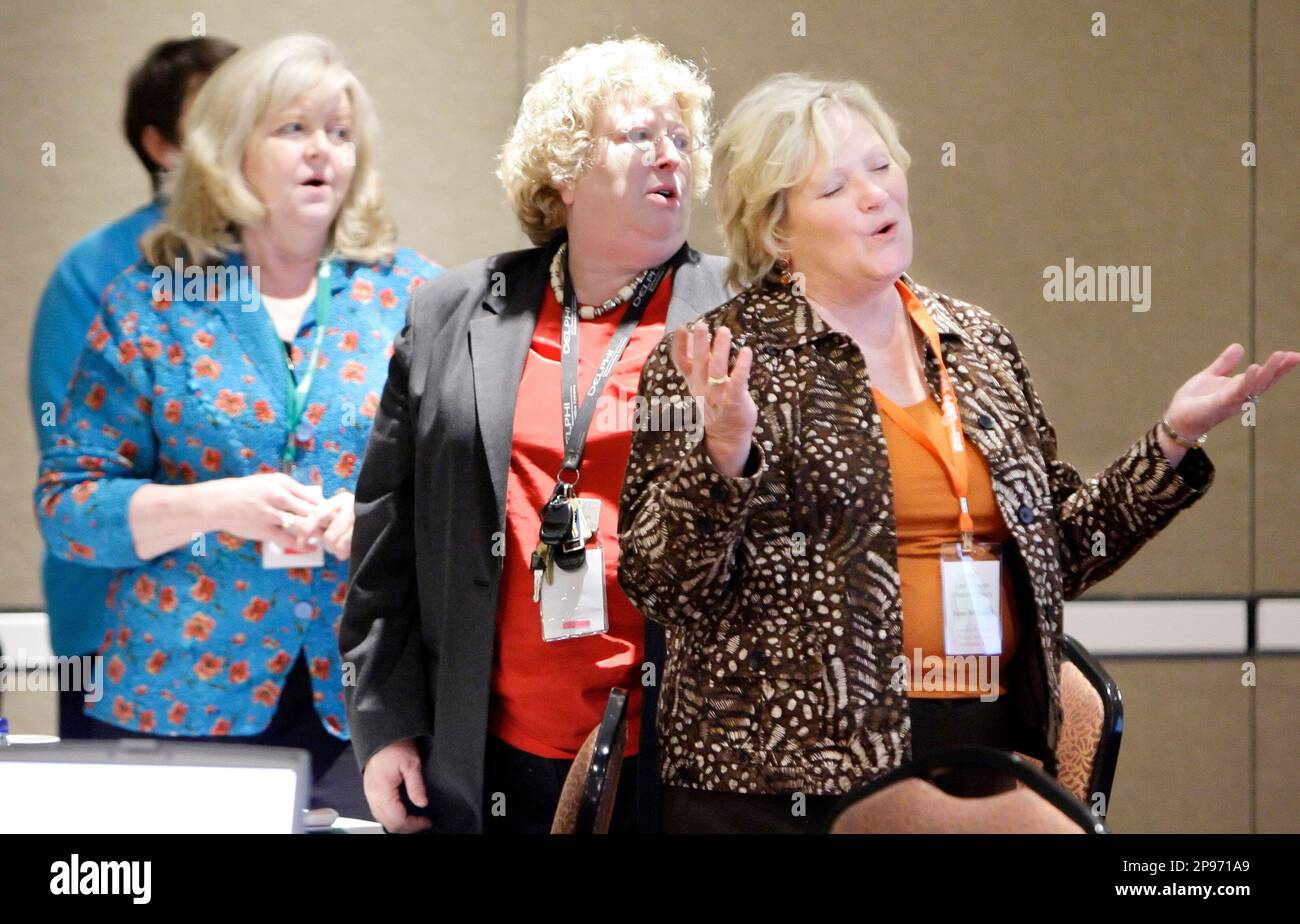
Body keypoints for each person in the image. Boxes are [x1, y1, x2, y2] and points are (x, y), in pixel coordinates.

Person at [617, 73, 1300, 833]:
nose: (876, 196)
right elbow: (660, 585)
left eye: (881, 166)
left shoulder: (976, 344)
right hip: (785, 778)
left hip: (984, 740)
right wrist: (723, 453)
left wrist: (1171, 442)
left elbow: (1064, 549)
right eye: (836, 187)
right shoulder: (719, 361)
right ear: (778, 230)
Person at [34, 35, 440, 820]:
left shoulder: (416, 296)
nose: (322, 151)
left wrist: (374, 525)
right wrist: (218, 505)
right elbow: (68, 510)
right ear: (228, 150)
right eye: (293, 129)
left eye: (341, 132)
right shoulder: (149, 300)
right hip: (180, 693)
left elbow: (469, 500)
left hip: (372, 699)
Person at [340, 36, 729, 833]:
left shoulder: (741, 308)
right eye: (638, 137)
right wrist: (383, 723)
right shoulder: (450, 312)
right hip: (485, 755)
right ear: (563, 171)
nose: (671, 158)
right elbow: (386, 545)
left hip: (684, 754)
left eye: (683, 141)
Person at [28, 36, 239, 741]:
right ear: (161, 146)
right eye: (216, 115)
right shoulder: (96, 274)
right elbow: (79, 481)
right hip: (120, 632)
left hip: (269, 636)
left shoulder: (299, 268)